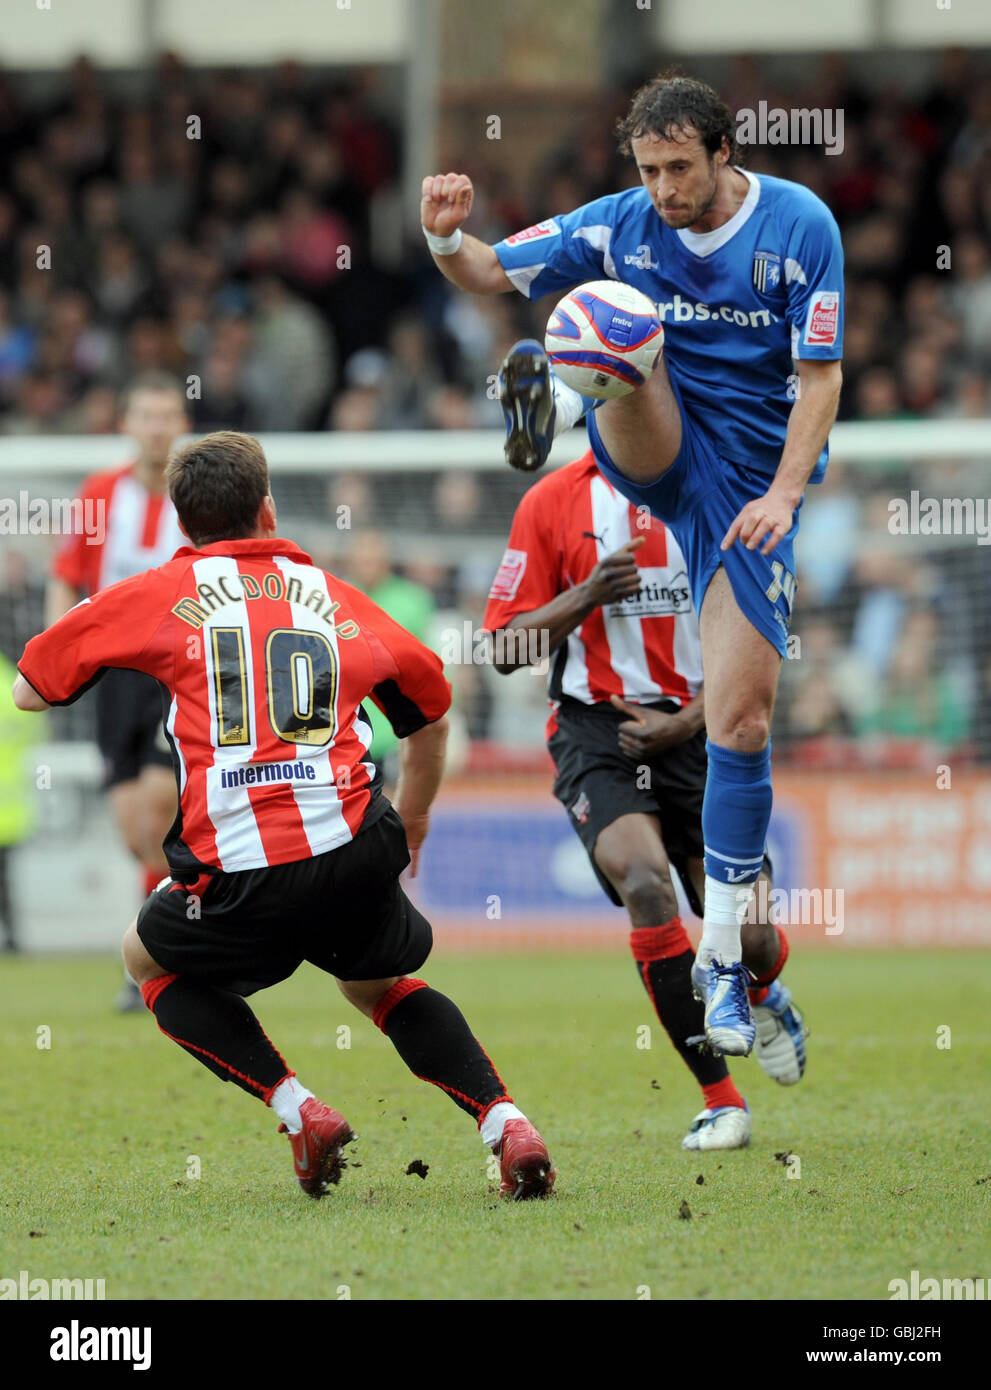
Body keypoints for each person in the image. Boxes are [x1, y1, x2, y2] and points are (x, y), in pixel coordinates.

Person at [421, 71, 843, 1056]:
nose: (661, 187)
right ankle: (566, 402)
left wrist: (783, 495)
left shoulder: (799, 227)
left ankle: (731, 966)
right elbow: (488, 270)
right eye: (647, 169)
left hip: (746, 494)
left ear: (722, 152)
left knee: (742, 720)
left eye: (677, 168)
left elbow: (819, 376)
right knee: (613, 306)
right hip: (658, 452)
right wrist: (444, 233)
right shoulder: (623, 222)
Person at [14, 431, 554, 1201]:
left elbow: (31, 686)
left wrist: (116, 638)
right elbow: (431, 713)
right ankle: (506, 1124)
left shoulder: (158, 594)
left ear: (182, 524)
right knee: (373, 982)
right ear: (268, 508)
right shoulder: (336, 595)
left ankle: (299, 1110)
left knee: (143, 960)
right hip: (355, 842)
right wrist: (418, 816)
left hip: (241, 868)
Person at [483, 450, 806, 1150]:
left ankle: (760, 990)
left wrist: (689, 721)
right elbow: (504, 648)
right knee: (644, 882)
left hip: (704, 720)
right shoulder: (551, 501)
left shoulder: (718, 483)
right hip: (597, 729)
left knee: (750, 936)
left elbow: (766, 628)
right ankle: (721, 1100)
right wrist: (586, 594)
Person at [47, 371, 190, 1010]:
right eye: (146, 416)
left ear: (181, 425)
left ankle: (158, 959)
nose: (157, 427)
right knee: (135, 830)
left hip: (180, 673)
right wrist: (63, 649)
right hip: (114, 679)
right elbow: (67, 575)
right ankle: (176, 931)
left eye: (167, 416)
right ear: (127, 424)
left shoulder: (202, 492)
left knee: (159, 809)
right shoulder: (100, 493)